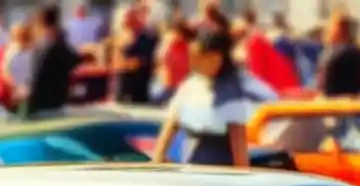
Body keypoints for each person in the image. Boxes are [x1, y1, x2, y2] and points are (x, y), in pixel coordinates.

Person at [150, 23, 274, 167]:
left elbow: (238, 143)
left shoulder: (231, 91)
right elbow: (170, 126)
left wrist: (242, 174)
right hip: (189, 168)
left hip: (218, 171)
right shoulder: (191, 85)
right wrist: (156, 162)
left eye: (198, 57)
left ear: (216, 58)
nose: (192, 62)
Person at [25, 4, 81, 116]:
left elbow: (38, 76)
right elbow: (74, 61)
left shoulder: (47, 46)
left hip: (45, 102)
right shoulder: (59, 44)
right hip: (58, 99)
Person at [317, 14, 360, 97]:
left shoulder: (329, 53)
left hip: (332, 100)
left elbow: (322, 83)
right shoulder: (357, 52)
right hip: (354, 99)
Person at [111, 5, 156, 104]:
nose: (124, 20)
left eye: (127, 16)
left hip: (139, 87)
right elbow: (115, 62)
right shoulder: (120, 37)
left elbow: (142, 61)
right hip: (122, 87)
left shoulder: (146, 38)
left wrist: (126, 63)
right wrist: (124, 63)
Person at [151, 14, 193, 103]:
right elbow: (159, 60)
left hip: (180, 87)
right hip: (165, 86)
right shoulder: (167, 41)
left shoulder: (187, 45)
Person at [0, 23, 36, 108]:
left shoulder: (34, 52)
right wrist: (15, 87)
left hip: (31, 92)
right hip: (14, 93)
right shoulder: (10, 52)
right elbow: (4, 72)